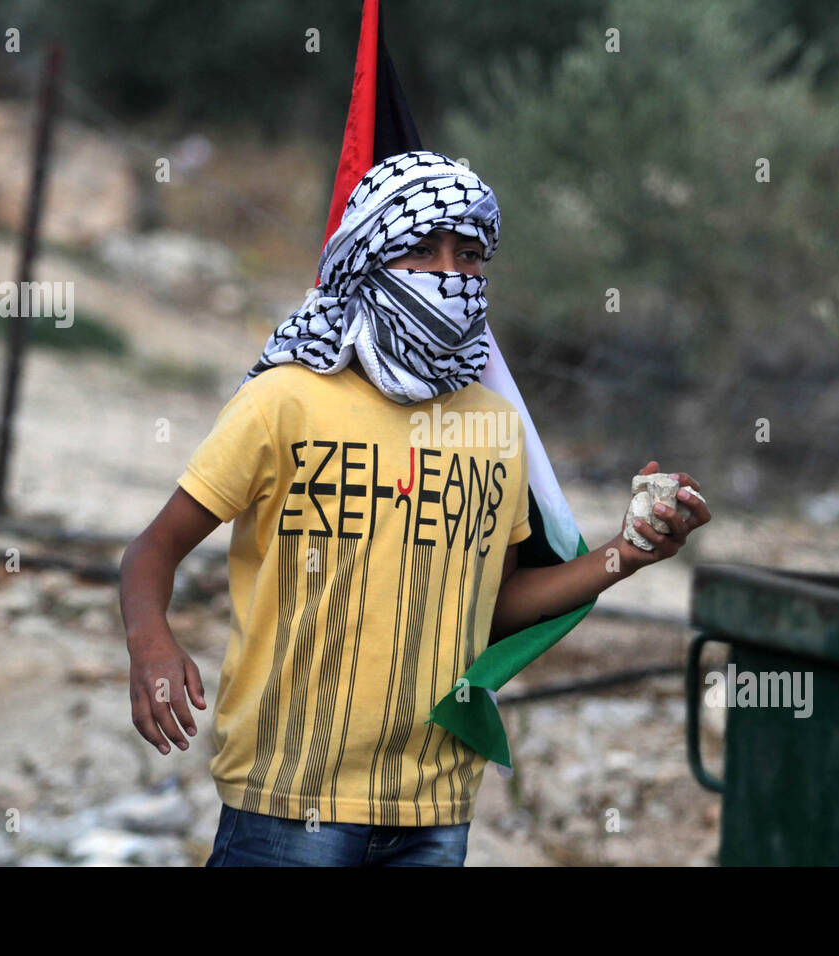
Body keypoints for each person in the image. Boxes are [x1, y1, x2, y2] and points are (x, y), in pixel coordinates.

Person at [118, 151, 711, 867]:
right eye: (421, 250)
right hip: (285, 800)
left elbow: (493, 607)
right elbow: (153, 550)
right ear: (366, 256)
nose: (449, 274)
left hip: (433, 809)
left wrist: (625, 553)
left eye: (469, 256)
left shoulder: (496, 427)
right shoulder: (285, 400)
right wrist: (151, 639)